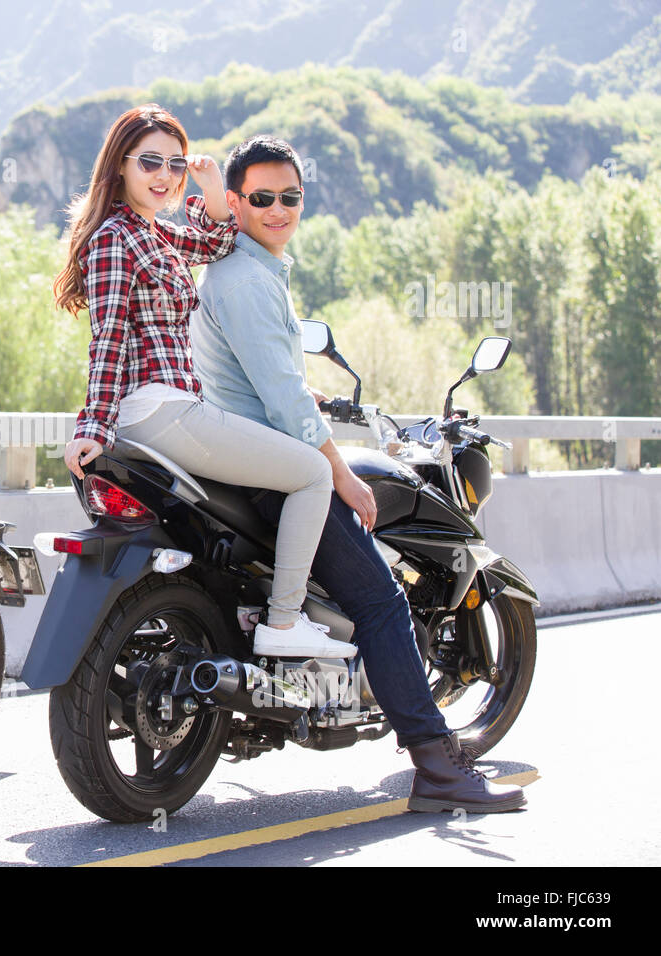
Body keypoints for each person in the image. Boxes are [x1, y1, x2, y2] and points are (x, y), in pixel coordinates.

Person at [190, 133, 525, 813]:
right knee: (380, 601)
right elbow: (282, 404)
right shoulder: (248, 279)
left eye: (290, 196)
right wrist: (341, 472)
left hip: (241, 454)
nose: (279, 208)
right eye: (262, 198)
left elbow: (267, 383)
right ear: (235, 202)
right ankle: (437, 768)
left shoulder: (237, 271)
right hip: (276, 471)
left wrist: (307, 397)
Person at [60, 103, 343, 657]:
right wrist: (91, 423)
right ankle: (284, 623)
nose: (164, 175)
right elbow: (108, 340)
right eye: (150, 162)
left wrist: (212, 184)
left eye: (174, 163)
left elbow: (217, 241)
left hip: (170, 411)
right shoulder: (116, 238)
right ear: (120, 165)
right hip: (161, 410)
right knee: (312, 472)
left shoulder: (153, 233)